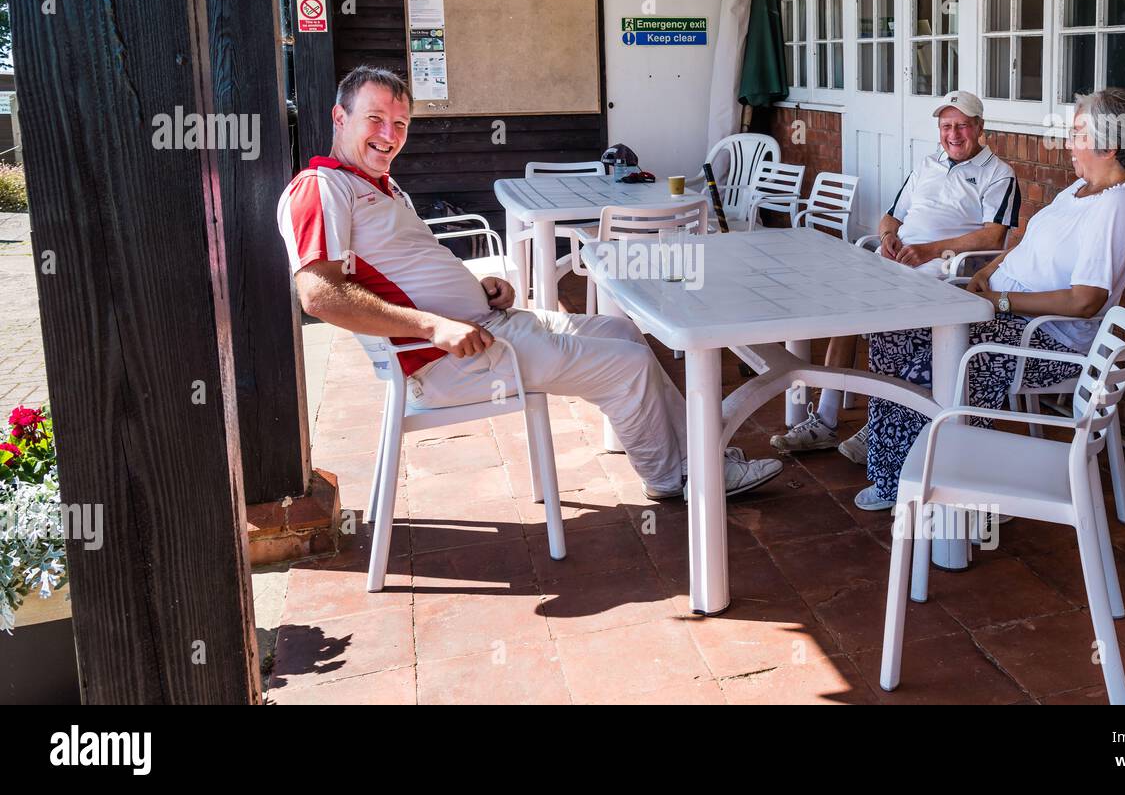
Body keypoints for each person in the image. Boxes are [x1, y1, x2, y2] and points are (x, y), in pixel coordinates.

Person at [277, 65, 782, 501]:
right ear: (339, 117)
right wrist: (434, 327)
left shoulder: (381, 186)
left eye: (400, 123)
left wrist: (481, 287)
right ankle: (677, 477)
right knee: (626, 368)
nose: (389, 134)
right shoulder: (322, 187)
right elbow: (320, 295)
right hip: (448, 359)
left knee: (623, 332)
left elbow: (404, 269)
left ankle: (698, 456)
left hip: (486, 326)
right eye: (375, 119)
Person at [850, 86, 1125, 510]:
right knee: (893, 333)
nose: (1069, 143)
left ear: (1110, 146)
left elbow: (1084, 301)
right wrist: (987, 274)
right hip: (1005, 313)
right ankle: (893, 462)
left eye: (1078, 134)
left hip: (1046, 339)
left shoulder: (1117, 206)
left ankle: (952, 483)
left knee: (937, 364)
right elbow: (1024, 244)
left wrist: (1001, 301)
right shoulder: (1079, 191)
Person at [771, 90, 1019, 460]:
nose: (953, 134)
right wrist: (888, 237)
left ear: (980, 127)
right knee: (843, 310)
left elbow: (993, 236)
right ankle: (824, 418)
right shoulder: (928, 164)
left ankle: (881, 424)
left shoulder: (998, 174)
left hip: (944, 270)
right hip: (897, 259)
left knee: (886, 321)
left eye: (962, 126)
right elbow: (891, 217)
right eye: (946, 126)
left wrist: (929, 251)